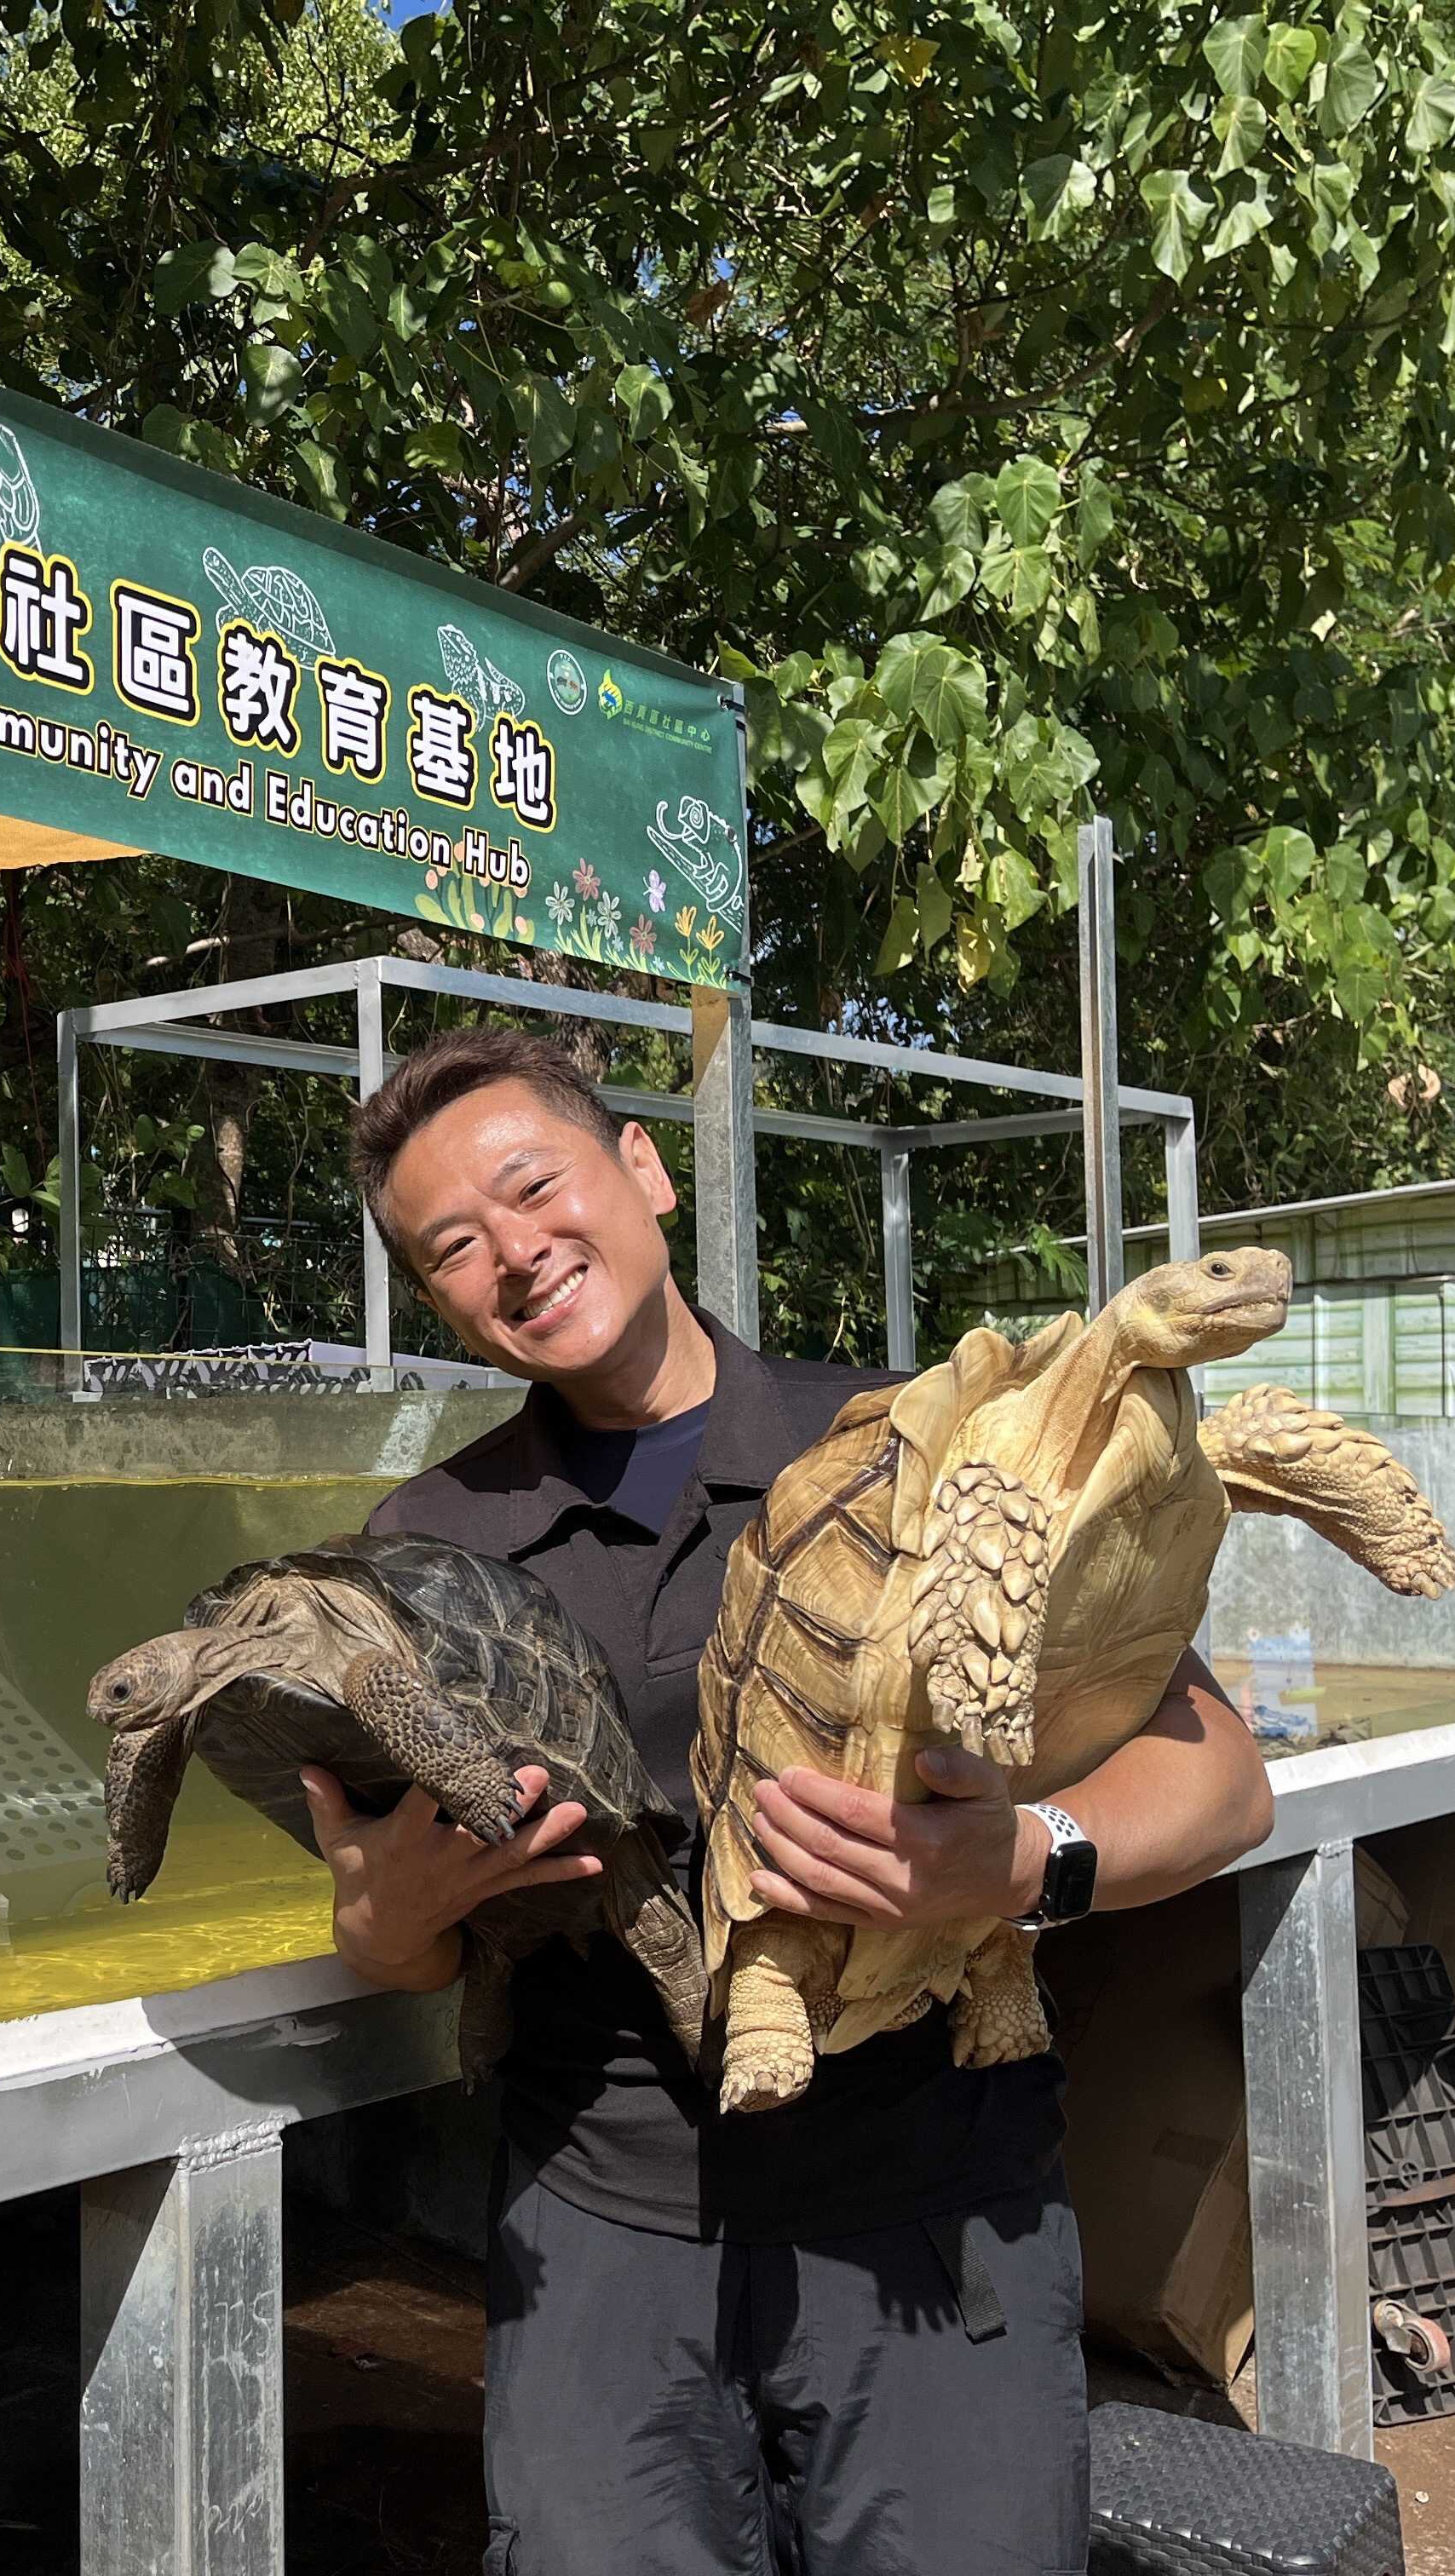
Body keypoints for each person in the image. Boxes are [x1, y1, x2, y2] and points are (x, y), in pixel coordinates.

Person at [310, 1026, 1274, 2576]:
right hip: (603, 2227)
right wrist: (388, 1919)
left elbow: (1221, 1779)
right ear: (439, 1303)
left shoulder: (922, 1435)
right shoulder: (431, 1543)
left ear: (644, 1170)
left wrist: (1026, 1859)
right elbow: (393, 1925)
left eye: (533, 1187)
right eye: (454, 1248)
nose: (515, 1255)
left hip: (930, 2213)